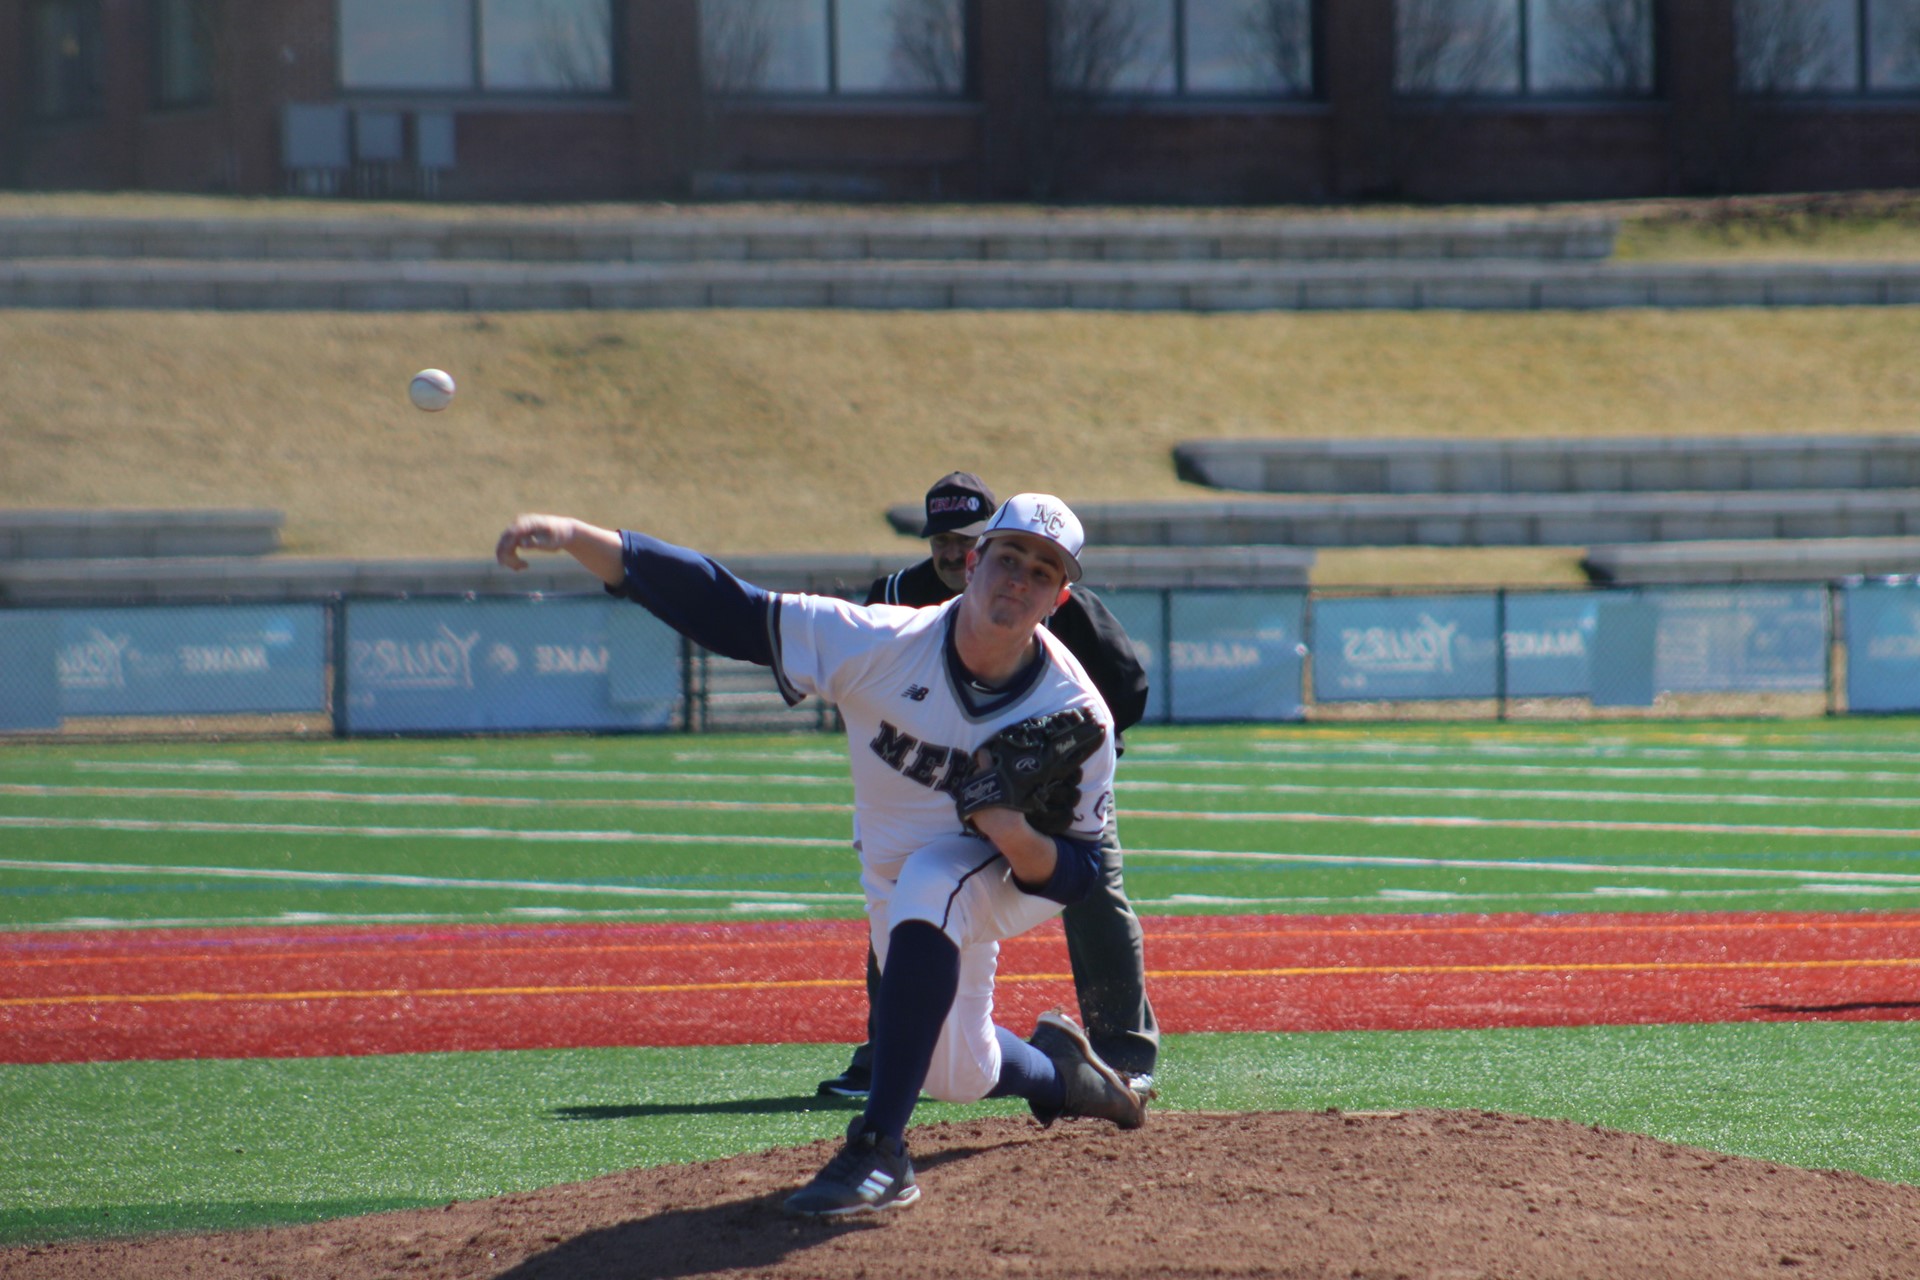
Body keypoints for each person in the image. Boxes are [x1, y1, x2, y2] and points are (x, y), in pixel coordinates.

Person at [496, 494, 1148, 1216]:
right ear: (972, 564)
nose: (1018, 580)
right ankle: (1064, 1075)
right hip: (896, 881)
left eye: (1042, 571)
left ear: (1059, 598)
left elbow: (1083, 870)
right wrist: (585, 540)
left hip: (1005, 874)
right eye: (1008, 558)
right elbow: (732, 610)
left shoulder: (1075, 711)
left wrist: (1011, 832)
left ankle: (879, 1150)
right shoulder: (876, 643)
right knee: (958, 1072)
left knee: (936, 881)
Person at [820, 471, 1160, 1100]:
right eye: (941, 540)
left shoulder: (1052, 599)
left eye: (965, 538)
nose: (952, 553)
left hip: (1050, 799)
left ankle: (1123, 1052)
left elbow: (1127, 682)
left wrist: (1069, 771)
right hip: (935, 784)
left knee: (1096, 892)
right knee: (903, 892)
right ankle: (887, 1052)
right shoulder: (898, 594)